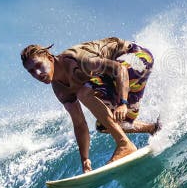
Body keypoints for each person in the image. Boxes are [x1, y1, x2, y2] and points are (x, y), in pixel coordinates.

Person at [21, 37, 158, 172]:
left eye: (39, 65)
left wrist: (123, 103)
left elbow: (119, 69)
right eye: (31, 71)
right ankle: (152, 128)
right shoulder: (60, 90)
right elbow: (79, 123)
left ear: (50, 58)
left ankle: (124, 144)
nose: (37, 73)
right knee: (104, 126)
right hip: (120, 78)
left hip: (137, 58)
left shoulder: (77, 60)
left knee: (83, 93)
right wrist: (85, 159)